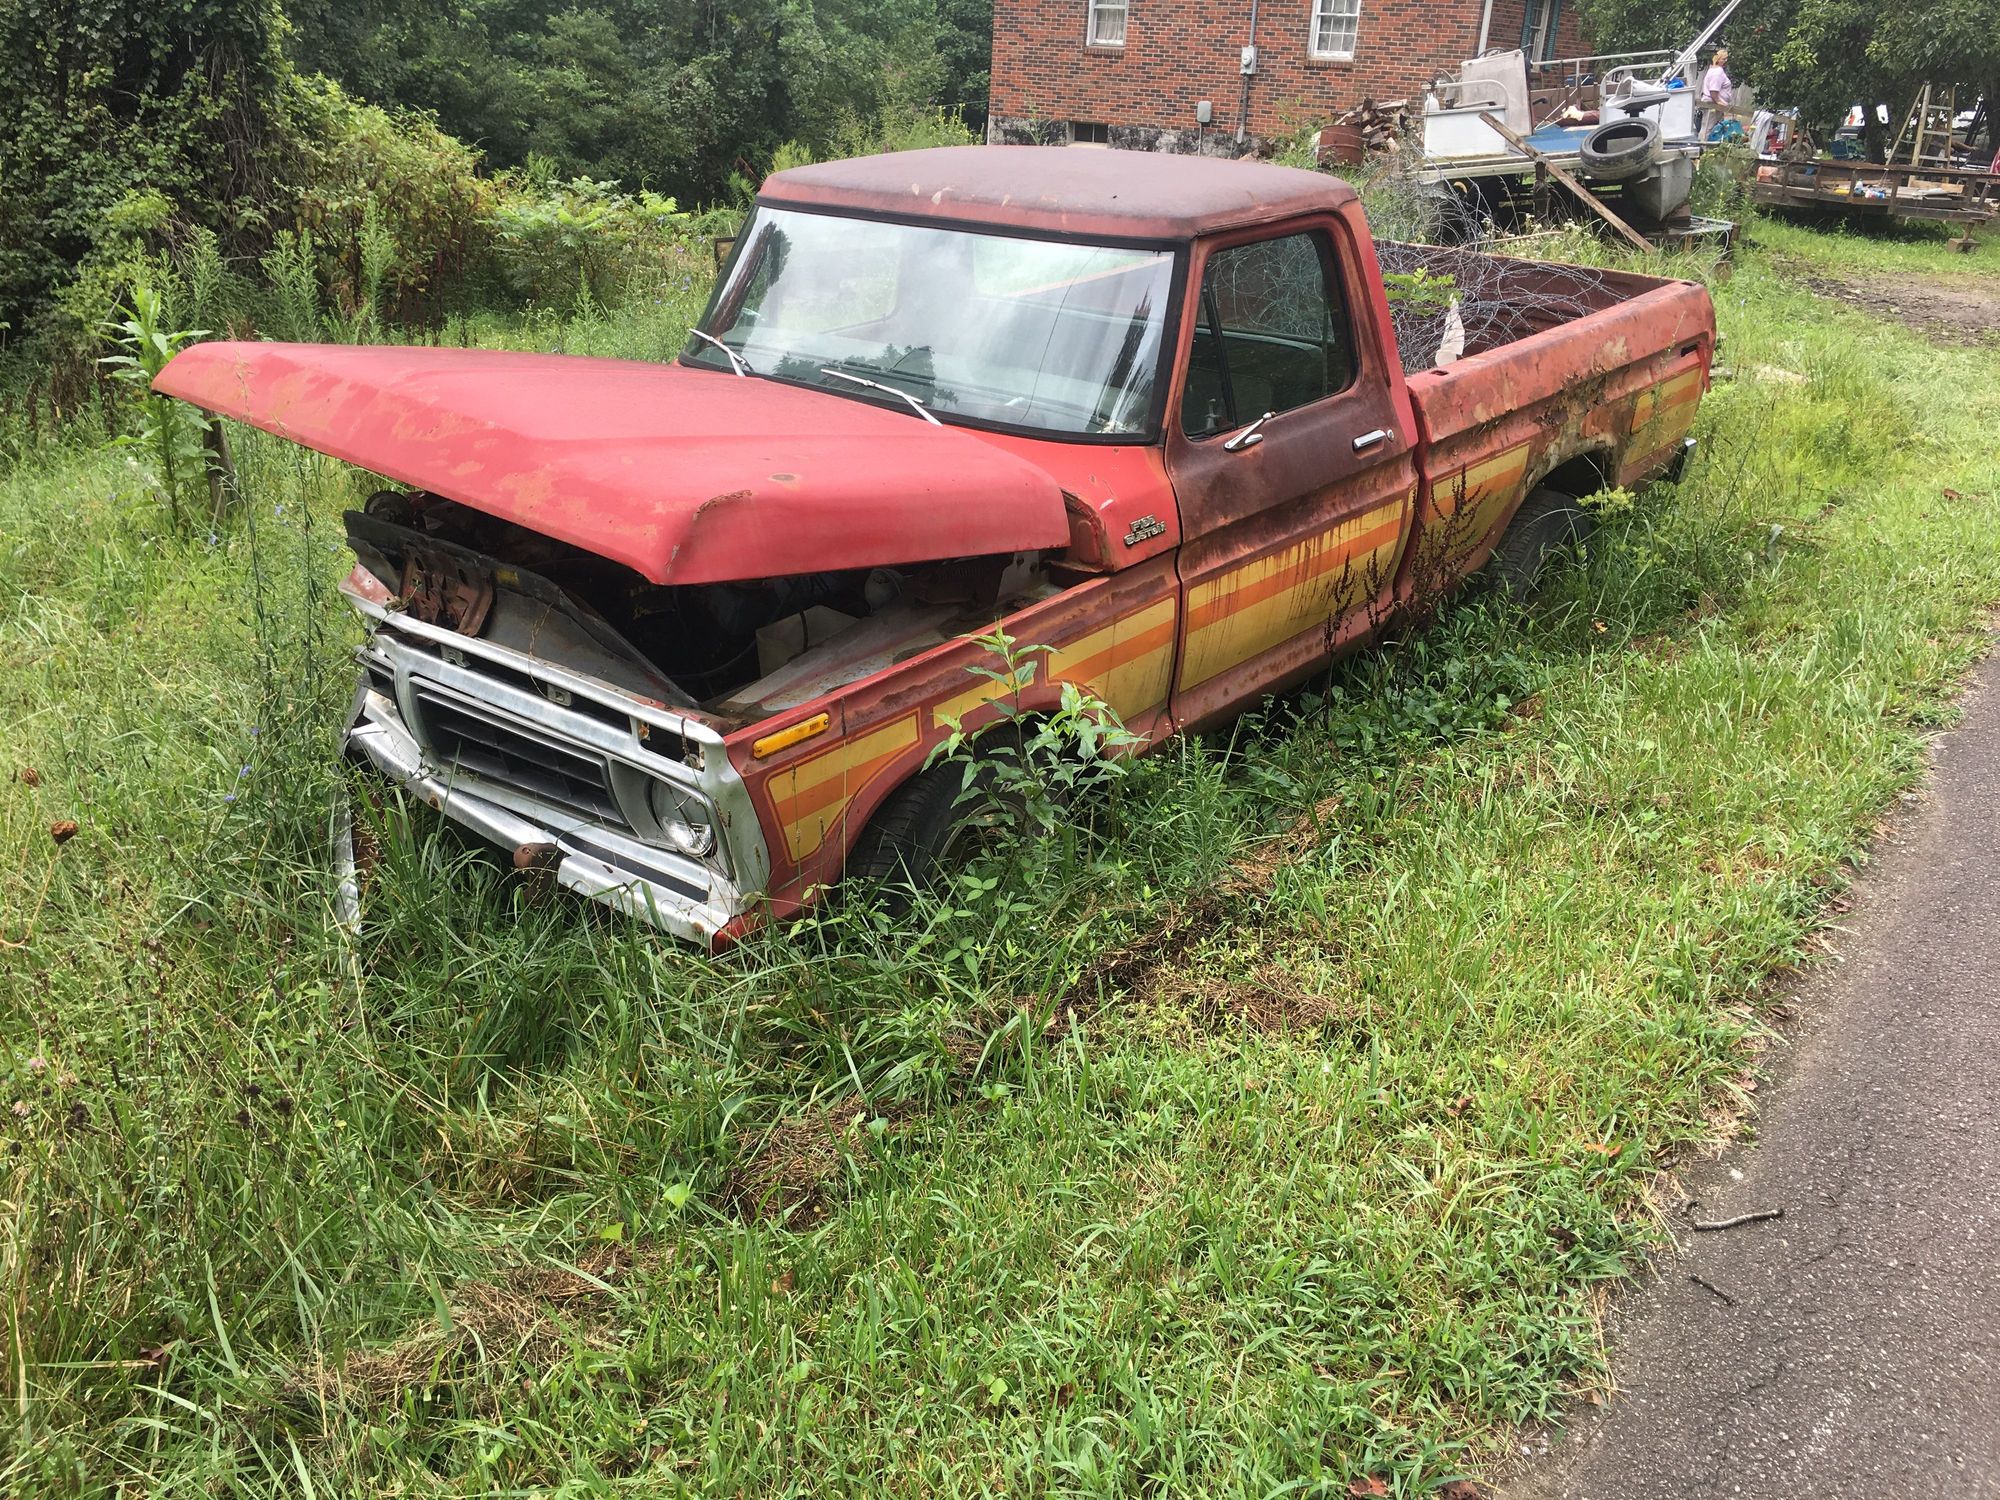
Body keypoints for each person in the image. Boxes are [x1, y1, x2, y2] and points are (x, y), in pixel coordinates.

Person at [1698, 48, 1735, 140]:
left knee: (1714, 127)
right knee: (1709, 127)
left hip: (1714, 104)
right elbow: (1713, 90)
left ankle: (1710, 146)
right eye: (1724, 59)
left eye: (1727, 58)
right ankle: (1704, 146)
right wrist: (1718, 102)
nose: (1726, 61)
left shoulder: (1713, 70)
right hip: (1713, 104)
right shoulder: (1717, 72)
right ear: (1718, 59)